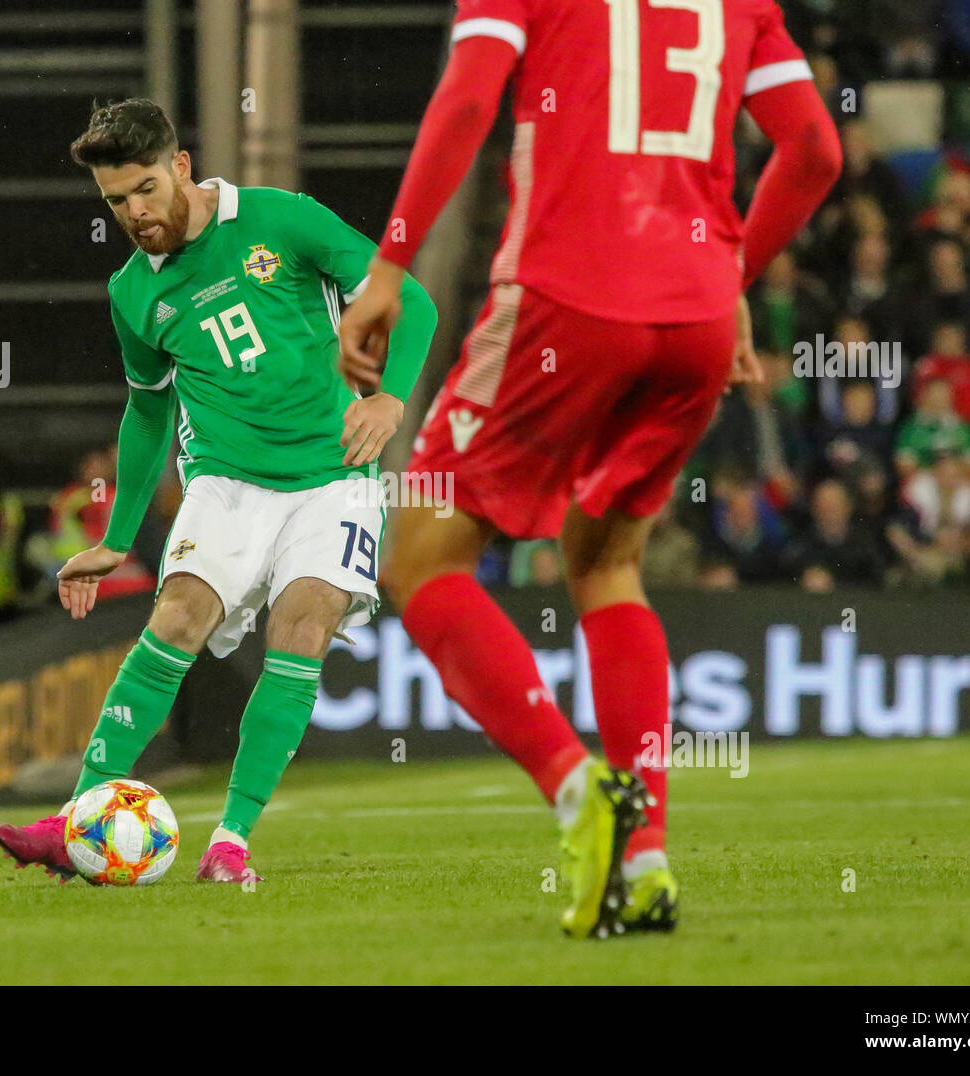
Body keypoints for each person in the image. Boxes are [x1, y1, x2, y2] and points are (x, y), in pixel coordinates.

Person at [337, 0, 841, 937]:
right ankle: (644, 859)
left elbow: (464, 102)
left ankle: (580, 794)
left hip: (566, 299)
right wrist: (728, 276)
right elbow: (813, 151)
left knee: (421, 559)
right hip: (691, 322)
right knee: (608, 566)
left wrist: (390, 267)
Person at [0, 99, 437, 883]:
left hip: (335, 477)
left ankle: (230, 842)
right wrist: (119, 537)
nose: (134, 212)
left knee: (301, 629)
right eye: (116, 201)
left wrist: (390, 397)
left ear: (182, 167)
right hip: (226, 480)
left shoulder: (281, 219)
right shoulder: (134, 293)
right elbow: (148, 408)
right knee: (178, 616)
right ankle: (71, 823)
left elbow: (415, 303)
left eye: (144, 190)